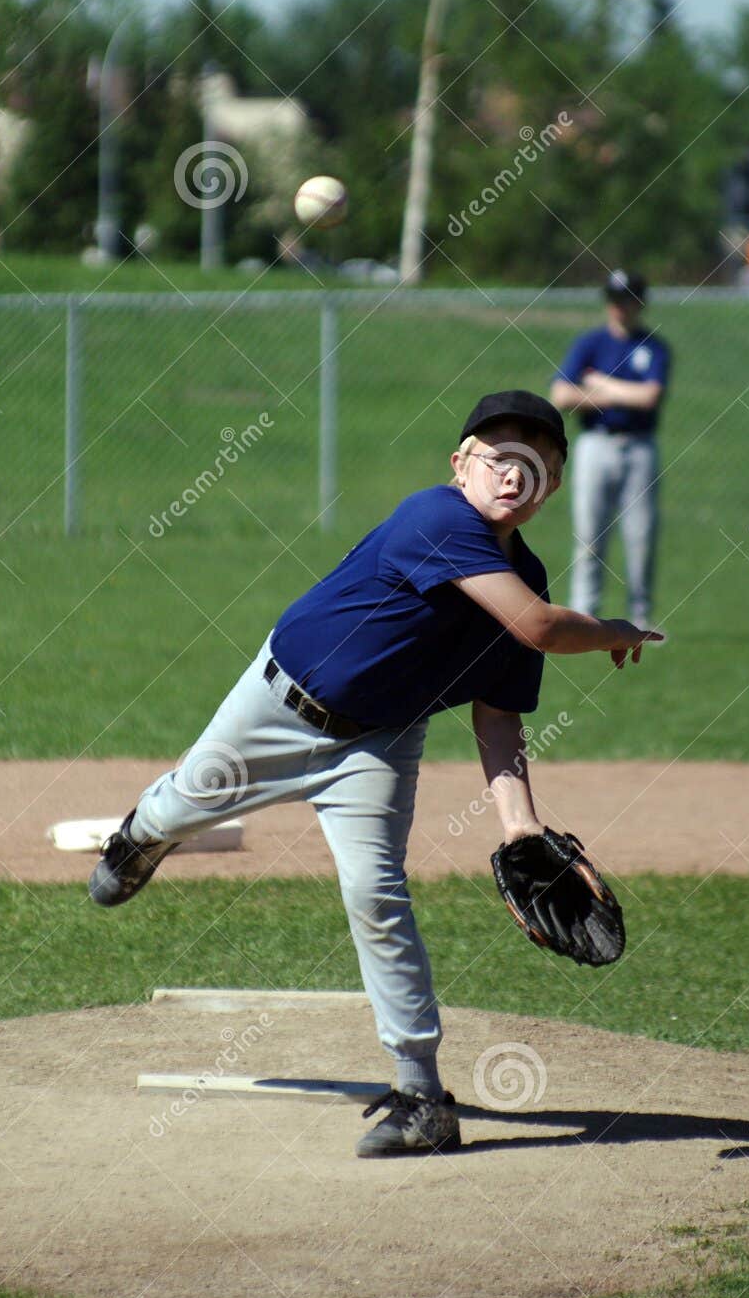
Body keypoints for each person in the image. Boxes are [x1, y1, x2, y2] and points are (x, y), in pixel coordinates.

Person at [89, 390, 661, 1158]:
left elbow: (497, 715)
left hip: (379, 744)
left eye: (537, 458)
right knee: (183, 804)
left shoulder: (526, 575)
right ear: (461, 466)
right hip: (276, 704)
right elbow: (537, 629)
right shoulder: (439, 518)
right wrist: (615, 629)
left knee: (375, 890)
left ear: (552, 485)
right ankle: (142, 837)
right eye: (498, 453)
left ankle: (422, 1096)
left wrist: (519, 824)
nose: (514, 468)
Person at [549, 271, 672, 628]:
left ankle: (640, 617)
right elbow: (561, 395)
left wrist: (600, 383)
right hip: (595, 444)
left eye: (627, 299)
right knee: (589, 534)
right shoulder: (590, 343)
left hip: (639, 447)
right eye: (614, 299)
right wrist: (622, 394)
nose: (619, 307)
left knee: (641, 535)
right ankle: (584, 614)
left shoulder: (654, 347)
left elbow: (650, 397)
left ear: (640, 303)